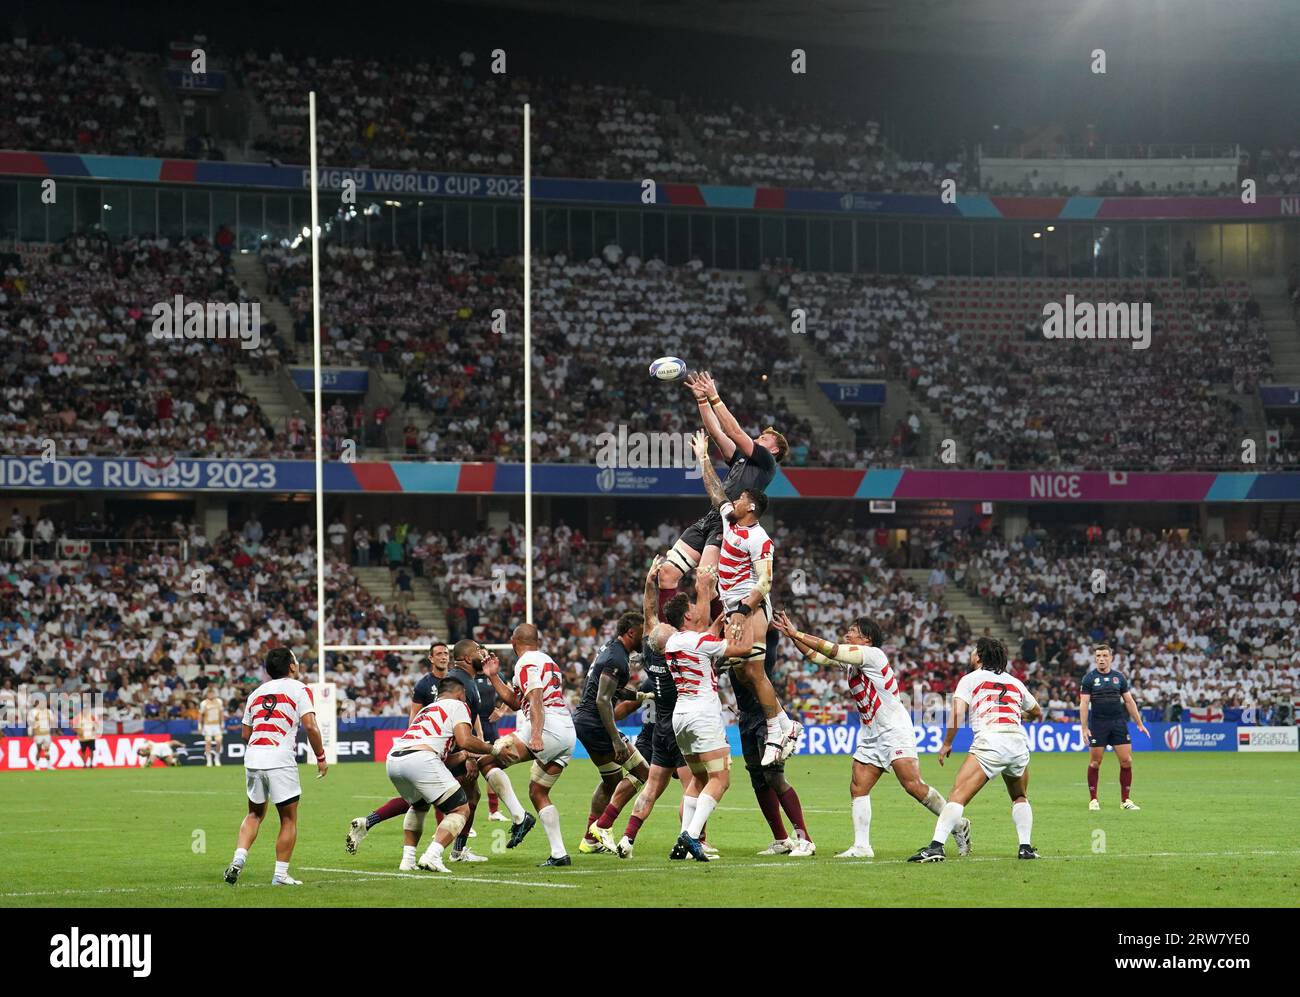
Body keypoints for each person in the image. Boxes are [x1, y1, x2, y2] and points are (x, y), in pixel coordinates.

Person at [775, 612, 969, 859]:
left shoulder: (872, 655)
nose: (847, 633)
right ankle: (862, 846)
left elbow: (832, 650)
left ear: (866, 639)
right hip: (871, 732)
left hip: (894, 729)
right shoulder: (854, 661)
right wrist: (791, 634)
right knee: (858, 786)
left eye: (853, 630)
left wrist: (796, 632)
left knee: (912, 785)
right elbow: (816, 657)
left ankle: (958, 823)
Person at [691, 429, 799, 765]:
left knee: (753, 672)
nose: (732, 500)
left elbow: (765, 583)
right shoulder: (730, 522)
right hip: (732, 607)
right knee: (742, 672)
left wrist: (741, 609)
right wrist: (703, 458)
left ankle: (777, 727)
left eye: (739, 500)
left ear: (750, 505)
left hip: (751, 606)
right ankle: (784, 724)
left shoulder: (759, 539)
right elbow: (715, 492)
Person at [646, 566, 753, 862]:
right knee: (720, 778)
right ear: (688, 617)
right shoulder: (699, 641)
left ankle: (683, 842)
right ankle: (691, 836)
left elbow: (702, 640)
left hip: (681, 715)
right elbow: (743, 648)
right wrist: (749, 616)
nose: (698, 610)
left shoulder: (674, 644)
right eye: (694, 608)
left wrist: (714, 629)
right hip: (703, 713)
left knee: (698, 778)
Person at [657, 369, 786, 613]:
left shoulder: (766, 462)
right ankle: (665, 638)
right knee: (667, 573)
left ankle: (714, 636)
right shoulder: (741, 458)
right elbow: (717, 432)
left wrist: (715, 396)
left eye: (764, 438)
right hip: (710, 518)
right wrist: (701, 400)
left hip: (728, 523)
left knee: (704, 583)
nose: (758, 438)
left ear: (775, 450)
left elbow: (735, 432)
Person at [908, 638, 1041, 863]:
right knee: (1019, 796)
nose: (970, 655)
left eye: (972, 652)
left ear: (979, 656)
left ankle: (936, 847)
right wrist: (1016, 716)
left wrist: (947, 743)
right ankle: (1025, 847)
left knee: (957, 795)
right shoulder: (1014, 682)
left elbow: (958, 713)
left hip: (991, 742)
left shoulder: (970, 679)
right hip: (1018, 743)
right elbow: (1036, 711)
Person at [606, 557, 705, 860]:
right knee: (694, 786)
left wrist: (650, 581)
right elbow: (698, 625)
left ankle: (627, 839)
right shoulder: (680, 653)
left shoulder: (651, 654)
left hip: (659, 728)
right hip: (680, 727)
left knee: (650, 788)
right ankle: (688, 841)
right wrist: (705, 589)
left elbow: (649, 612)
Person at [224, 647, 328, 886]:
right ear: (292, 666)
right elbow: (310, 726)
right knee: (288, 819)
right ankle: (280, 875)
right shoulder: (299, 689)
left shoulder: (256, 693)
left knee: (254, 813)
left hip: (253, 758)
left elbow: (245, 733)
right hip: (279, 759)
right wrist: (321, 757)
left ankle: (238, 860)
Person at [480, 624, 577, 867]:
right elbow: (516, 702)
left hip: (547, 728)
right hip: (566, 731)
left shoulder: (526, 662)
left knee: (486, 761)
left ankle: (519, 817)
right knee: (538, 792)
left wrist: (535, 734)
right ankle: (559, 854)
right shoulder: (548, 661)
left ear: (514, 642)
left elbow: (534, 697)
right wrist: (493, 676)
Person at [386, 676, 498, 873]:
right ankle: (432, 855)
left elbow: (442, 759)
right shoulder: (458, 706)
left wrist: (464, 755)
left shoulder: (426, 710)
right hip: (421, 758)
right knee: (460, 809)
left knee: (419, 805)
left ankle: (408, 860)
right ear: (460, 693)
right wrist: (493, 749)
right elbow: (465, 739)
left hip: (395, 759)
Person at [573, 611, 653, 854]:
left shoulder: (610, 649)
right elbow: (602, 700)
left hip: (584, 722)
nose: (644, 637)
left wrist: (637, 695)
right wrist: (616, 739)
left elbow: (609, 688)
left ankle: (590, 839)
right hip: (597, 723)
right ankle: (602, 826)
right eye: (641, 632)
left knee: (611, 780)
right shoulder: (617, 659)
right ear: (631, 632)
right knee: (642, 773)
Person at [733, 625, 815, 856]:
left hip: (766, 714)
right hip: (746, 715)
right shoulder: (736, 631)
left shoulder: (763, 631)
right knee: (758, 779)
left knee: (774, 776)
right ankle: (781, 839)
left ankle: (805, 839)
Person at [1080, 643, 1148, 811]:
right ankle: (1093, 800)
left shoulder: (1120, 677)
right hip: (1098, 724)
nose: (1101, 659)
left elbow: (1129, 701)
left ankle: (1125, 800)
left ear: (1111, 658)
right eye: (1098, 656)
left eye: (1104, 656)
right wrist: (1084, 727)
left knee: (1126, 761)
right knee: (1095, 763)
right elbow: (1084, 703)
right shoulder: (1089, 679)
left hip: (1118, 723)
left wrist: (1139, 723)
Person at [199, 689, 225, 766]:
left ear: (214, 694)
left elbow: (221, 713)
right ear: (207, 695)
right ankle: (209, 760)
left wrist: (222, 723)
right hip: (207, 725)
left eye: (212, 693)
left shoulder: (219, 702)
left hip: (216, 725)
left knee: (219, 741)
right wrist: (199, 725)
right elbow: (200, 714)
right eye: (209, 694)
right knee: (208, 742)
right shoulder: (204, 703)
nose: (211, 695)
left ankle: (217, 758)